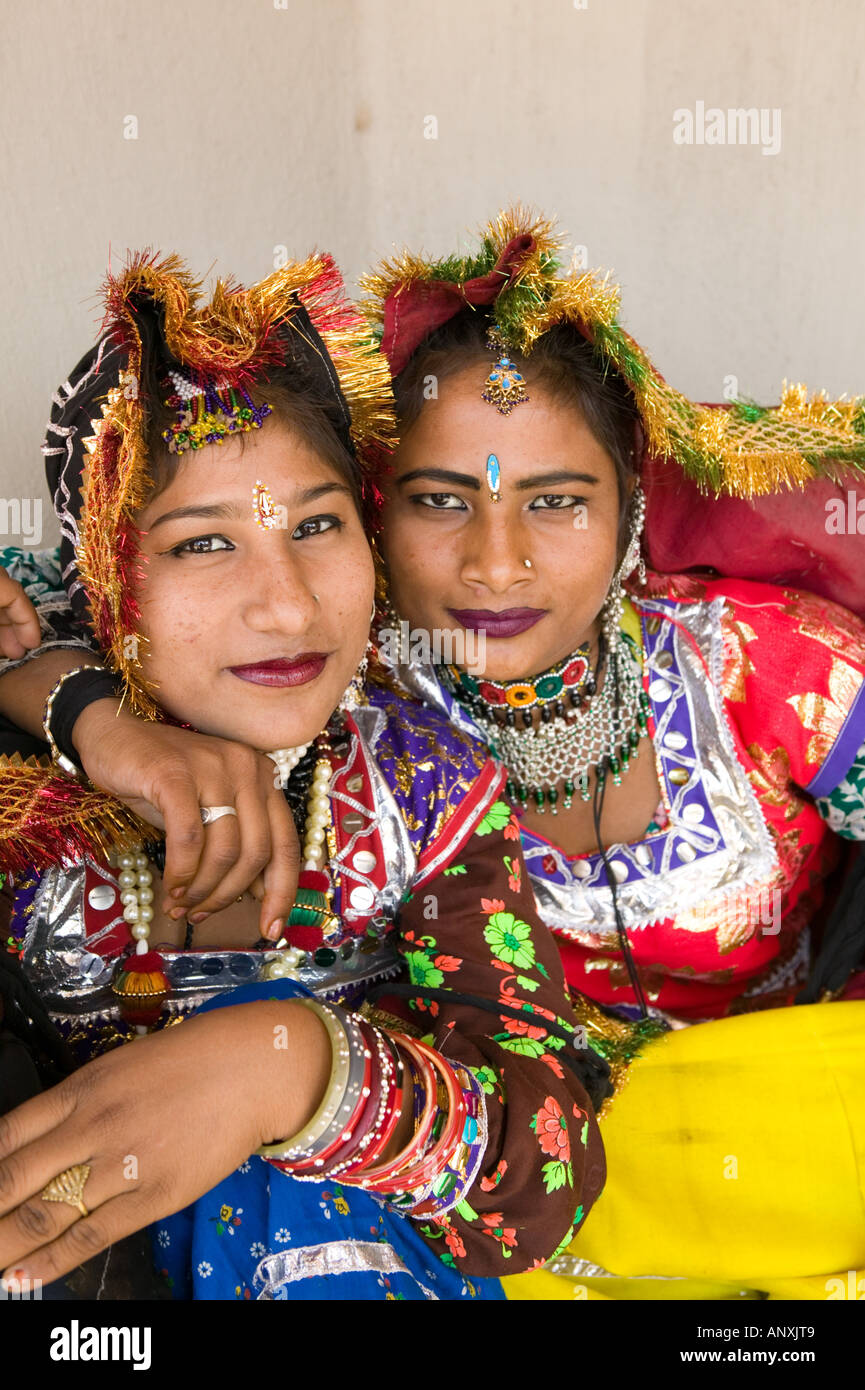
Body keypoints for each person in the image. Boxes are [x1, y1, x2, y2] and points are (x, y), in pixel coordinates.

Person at [4, 210, 865, 1300]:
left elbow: (537, 1143)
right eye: (437, 501)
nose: (495, 563)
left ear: (631, 507)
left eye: (553, 502)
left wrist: (293, 1067)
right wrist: (84, 711)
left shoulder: (741, 670)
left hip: (784, 1149)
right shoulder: (371, 698)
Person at [0, 247, 606, 1301]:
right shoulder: (28, 805)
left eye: (318, 526)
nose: (286, 605)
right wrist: (78, 711)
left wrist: (295, 1065)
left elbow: (545, 1170)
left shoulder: (417, 782)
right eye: (199, 545)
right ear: (104, 570)